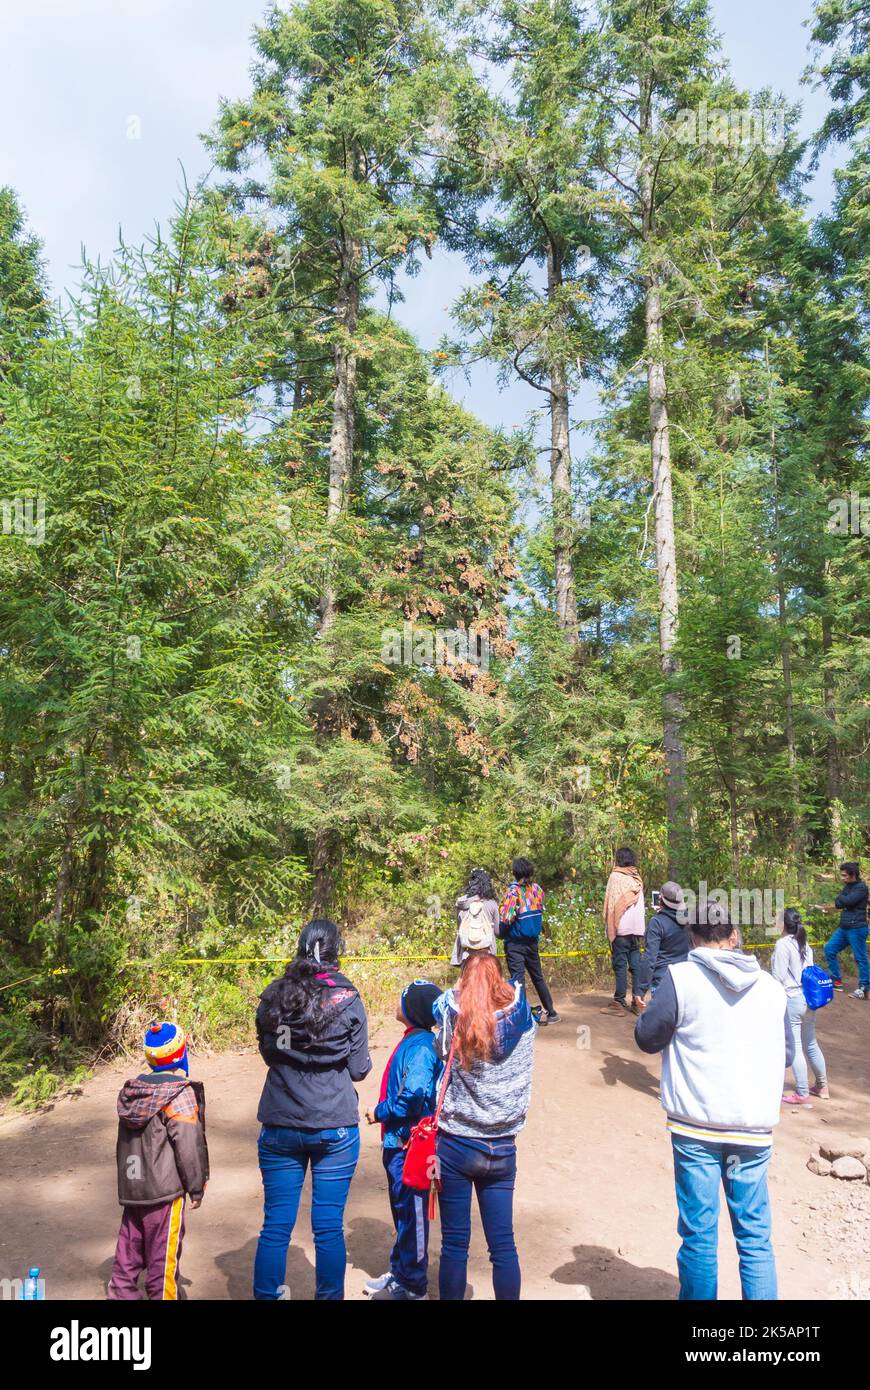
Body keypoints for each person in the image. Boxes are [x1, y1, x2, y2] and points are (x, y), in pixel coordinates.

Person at [635, 903, 794, 1301]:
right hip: (752, 1129)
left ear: (692, 939)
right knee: (756, 1238)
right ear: (735, 936)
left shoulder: (680, 979)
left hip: (696, 1129)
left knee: (699, 1236)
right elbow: (788, 1055)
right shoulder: (772, 989)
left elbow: (647, 1038)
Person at [253, 918, 371, 1300]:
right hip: (334, 1124)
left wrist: (296, 1050)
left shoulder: (275, 995)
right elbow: (358, 1070)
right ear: (337, 950)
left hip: (281, 1120)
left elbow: (271, 1052)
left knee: (275, 1227)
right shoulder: (349, 998)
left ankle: (268, 1295)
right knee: (328, 1227)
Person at [433, 929, 536, 1301]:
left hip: (456, 1143)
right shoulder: (524, 1020)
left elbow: (438, 1022)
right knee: (503, 1245)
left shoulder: (452, 1018)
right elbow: (515, 1008)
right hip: (503, 1146)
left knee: (455, 1245)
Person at [108, 1021, 208, 1300]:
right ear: (181, 1053)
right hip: (165, 1193)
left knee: (127, 1257)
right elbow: (188, 1146)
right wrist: (196, 1187)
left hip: (133, 1190)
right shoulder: (179, 1094)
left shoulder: (132, 1091)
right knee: (163, 1263)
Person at [363, 980, 442, 1301]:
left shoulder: (422, 1047)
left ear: (413, 1009)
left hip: (412, 1147)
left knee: (413, 1213)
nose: (397, 1001)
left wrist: (379, 1112)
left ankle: (414, 1285)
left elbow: (414, 1096)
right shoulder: (414, 1040)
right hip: (397, 1144)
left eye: (402, 998)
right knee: (402, 1211)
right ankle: (400, 1271)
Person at [772, 907, 829, 1106]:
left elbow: (778, 976)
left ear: (783, 924)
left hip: (792, 998)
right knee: (811, 1043)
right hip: (809, 998)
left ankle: (802, 1092)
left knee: (795, 1045)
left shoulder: (782, 945)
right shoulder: (804, 943)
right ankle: (822, 1086)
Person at [499, 856, 559, 1024]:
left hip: (515, 944)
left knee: (518, 981)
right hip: (533, 942)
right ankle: (552, 1012)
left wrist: (500, 933)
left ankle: (523, 1018)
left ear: (515, 872)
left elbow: (506, 919)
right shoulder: (537, 890)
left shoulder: (513, 893)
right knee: (537, 977)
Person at [602, 846, 646, 1016]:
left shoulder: (616, 877)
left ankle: (619, 1002)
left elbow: (612, 904)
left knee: (620, 965)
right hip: (635, 930)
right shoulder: (636, 877)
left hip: (620, 929)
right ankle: (637, 1001)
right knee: (635, 965)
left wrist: (610, 923)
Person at [824, 861, 869, 1000]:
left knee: (860, 958)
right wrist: (842, 900)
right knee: (829, 949)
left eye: (844, 875)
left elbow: (846, 902)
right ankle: (836, 980)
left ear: (852, 875)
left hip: (857, 928)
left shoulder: (861, 888)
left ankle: (864, 988)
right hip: (844, 928)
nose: (842, 878)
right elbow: (839, 902)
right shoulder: (848, 887)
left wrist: (842, 899)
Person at [640, 881, 689, 997]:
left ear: (660, 899)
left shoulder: (657, 922)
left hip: (663, 981)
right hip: (687, 980)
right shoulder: (690, 920)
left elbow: (650, 958)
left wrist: (640, 989)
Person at [451, 867, 499, 967]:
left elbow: (460, 928)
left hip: (466, 955)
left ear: (470, 883)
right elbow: (497, 932)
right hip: (487, 954)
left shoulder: (461, 903)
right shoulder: (492, 904)